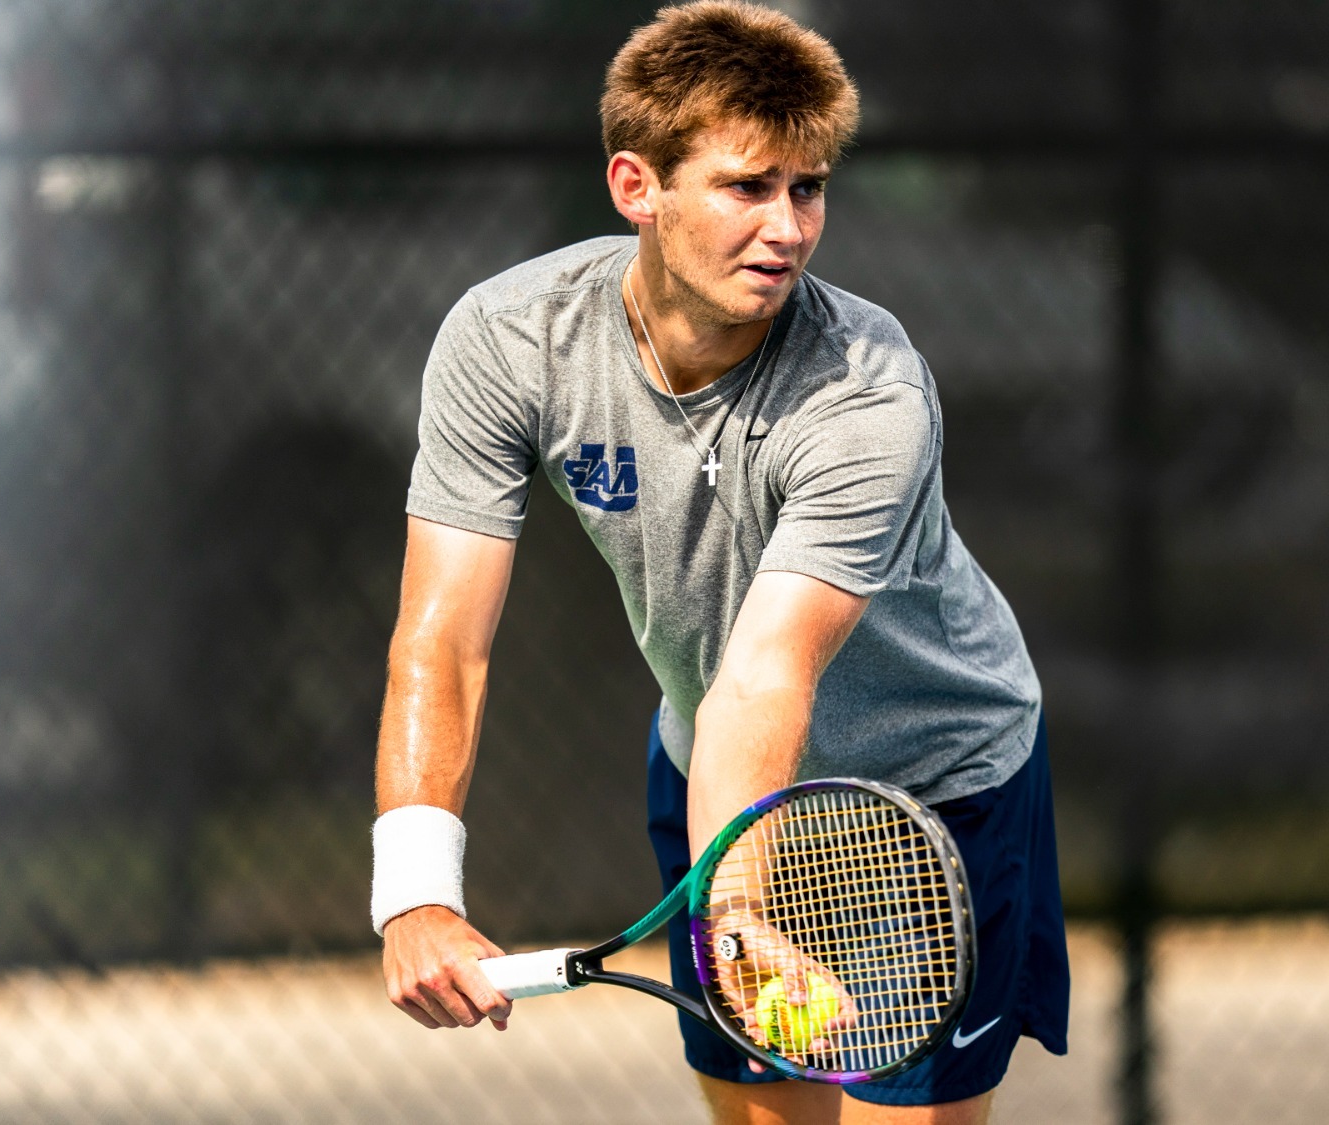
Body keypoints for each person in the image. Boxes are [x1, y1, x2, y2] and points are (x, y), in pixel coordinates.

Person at [368, 3, 1066, 1121]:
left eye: (809, 188)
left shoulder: (865, 391)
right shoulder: (508, 341)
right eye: (748, 187)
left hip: (928, 804)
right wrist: (412, 896)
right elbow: (441, 640)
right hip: (720, 783)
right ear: (636, 187)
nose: (787, 227)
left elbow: (768, 669)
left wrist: (730, 913)